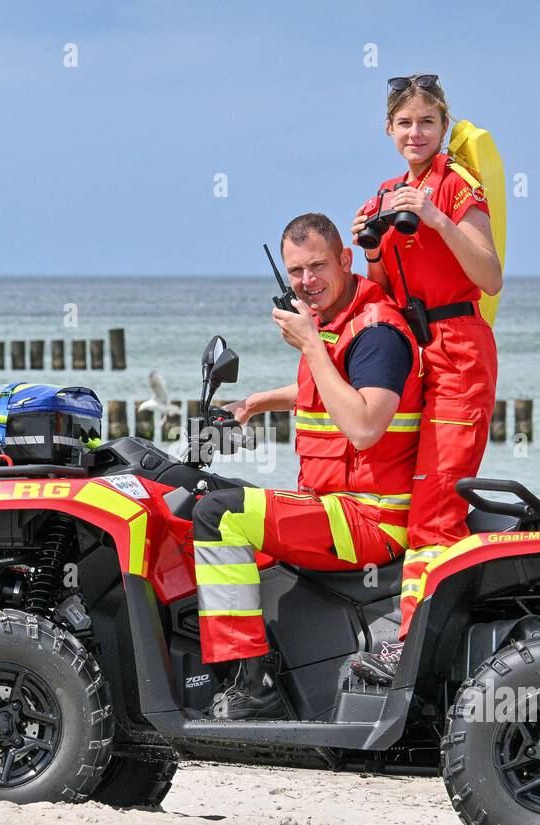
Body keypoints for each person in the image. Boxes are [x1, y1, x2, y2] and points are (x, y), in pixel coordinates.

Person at [193, 212, 422, 720]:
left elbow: (365, 424)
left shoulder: (377, 332)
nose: (306, 282)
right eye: (296, 272)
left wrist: (311, 346)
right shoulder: (339, 324)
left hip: (369, 518)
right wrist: (257, 402)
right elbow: (330, 388)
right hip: (337, 506)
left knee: (220, 515)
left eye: (317, 266)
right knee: (223, 493)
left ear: (345, 259)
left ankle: (252, 686)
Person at [349, 73, 502, 686]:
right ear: (389, 131)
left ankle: (412, 643)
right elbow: (381, 289)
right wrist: (372, 241)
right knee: (400, 492)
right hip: (412, 346)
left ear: (443, 127)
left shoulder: (457, 186)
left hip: (459, 347)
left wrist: (436, 218)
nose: (416, 133)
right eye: (405, 123)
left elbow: (489, 275)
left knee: (438, 500)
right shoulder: (387, 192)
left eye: (428, 122)